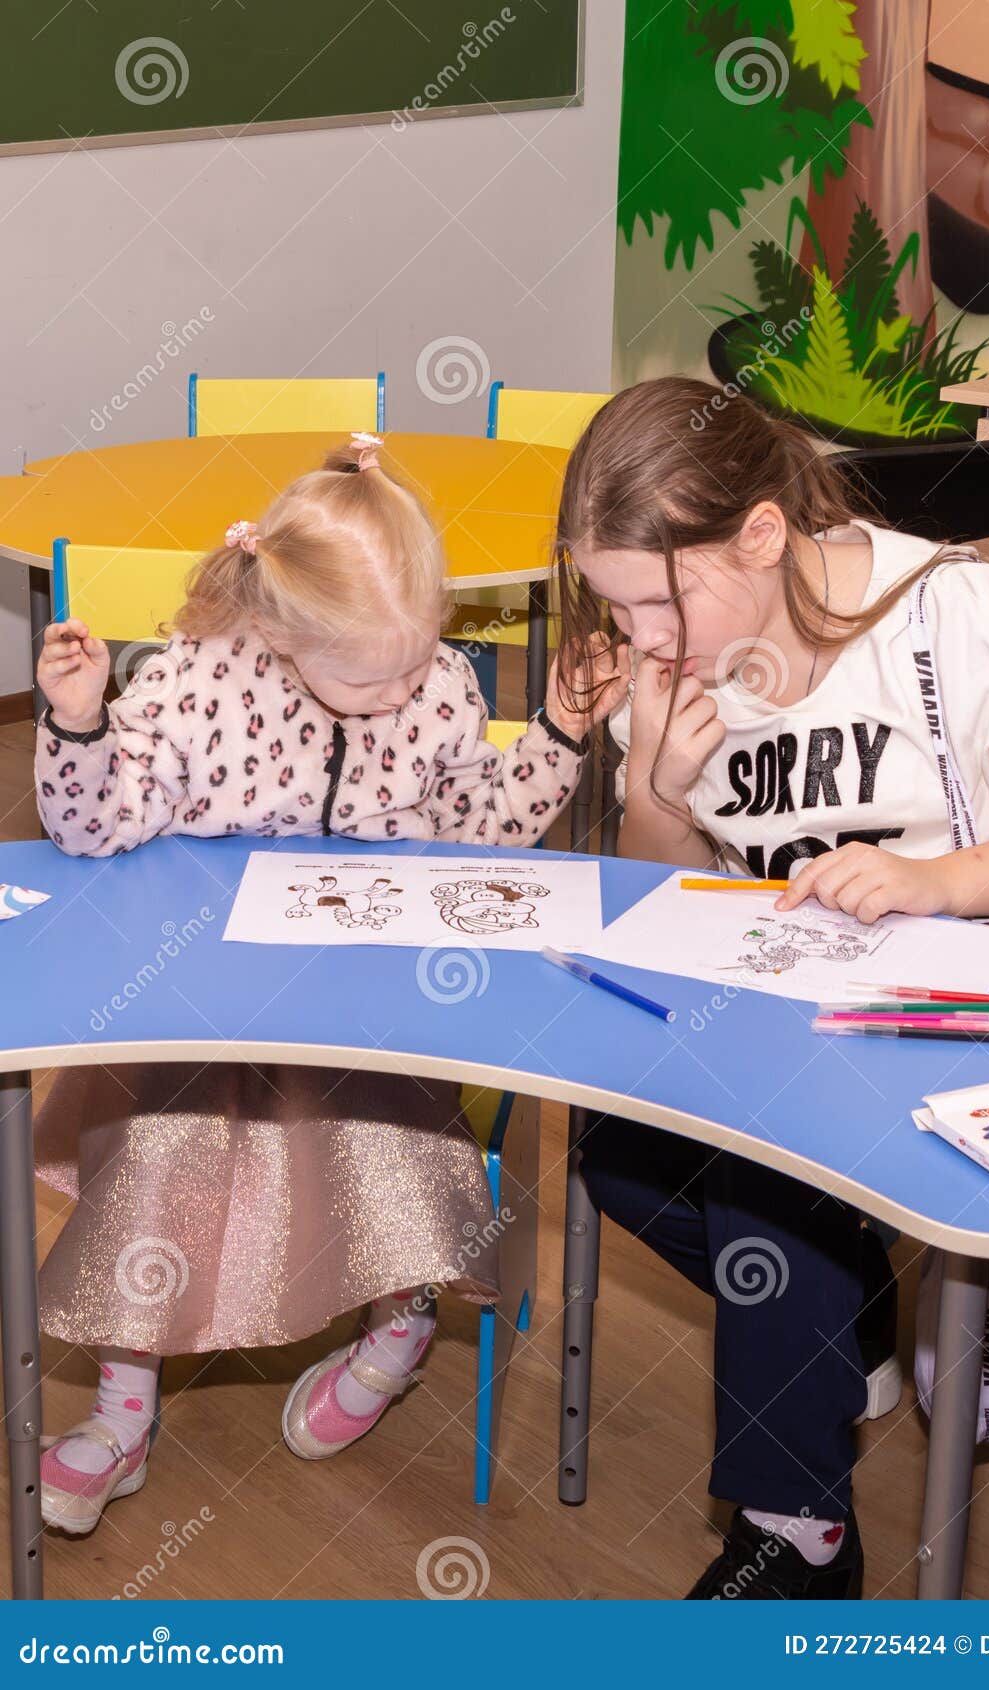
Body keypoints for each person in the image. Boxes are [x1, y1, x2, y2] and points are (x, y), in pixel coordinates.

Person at [551, 377, 989, 1599]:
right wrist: (653, 788)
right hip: (797, 1010)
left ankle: (795, 1535)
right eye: (617, 602)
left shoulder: (967, 619)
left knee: (766, 1185)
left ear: (760, 535)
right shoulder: (682, 662)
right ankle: (843, 1320)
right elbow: (668, 901)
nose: (639, 635)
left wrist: (939, 881)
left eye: (657, 597)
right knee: (619, 1154)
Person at [33, 431, 626, 1534]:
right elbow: (93, 828)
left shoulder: (435, 689)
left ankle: (397, 1330)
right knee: (161, 1150)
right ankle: (123, 1411)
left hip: (372, 1019)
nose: (405, 687)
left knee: (387, 1138)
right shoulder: (196, 682)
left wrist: (555, 732)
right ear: (277, 629)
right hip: (200, 1011)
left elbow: (482, 830)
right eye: (374, 672)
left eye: (419, 660)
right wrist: (79, 725)